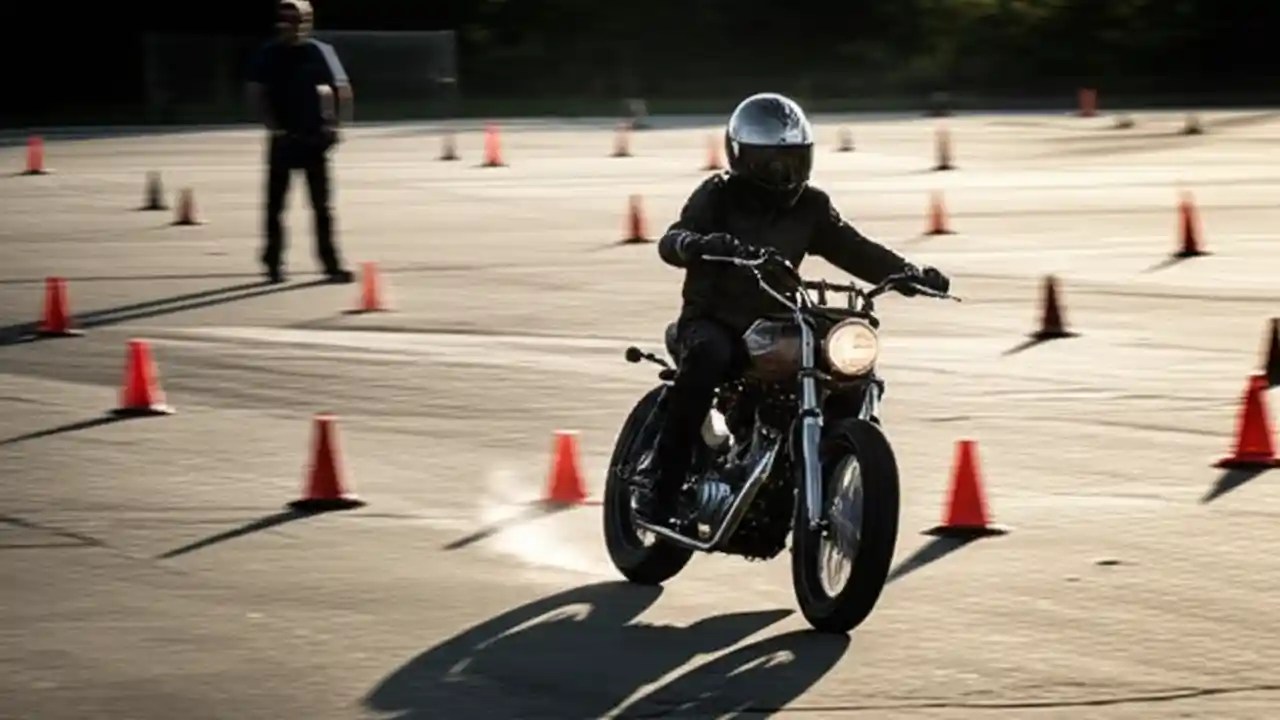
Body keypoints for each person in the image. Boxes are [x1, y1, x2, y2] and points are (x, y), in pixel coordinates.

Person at [634, 92, 952, 527]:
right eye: (772, 161)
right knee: (709, 356)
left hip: (778, 320)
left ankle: (826, 463)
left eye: (794, 158)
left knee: (844, 369)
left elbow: (856, 250)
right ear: (743, 157)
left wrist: (910, 273)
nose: (785, 171)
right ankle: (661, 488)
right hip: (712, 321)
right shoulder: (718, 196)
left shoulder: (811, 206)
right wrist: (698, 244)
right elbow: (673, 239)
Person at [246, 0, 354, 284]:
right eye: (286, 19)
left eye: (297, 19)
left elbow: (339, 90)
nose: (291, 25)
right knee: (275, 207)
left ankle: (331, 264)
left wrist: (335, 127)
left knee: (322, 207)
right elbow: (256, 92)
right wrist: (273, 128)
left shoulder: (320, 52)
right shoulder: (269, 54)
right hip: (283, 139)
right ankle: (273, 264)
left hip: (314, 139)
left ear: (307, 21)